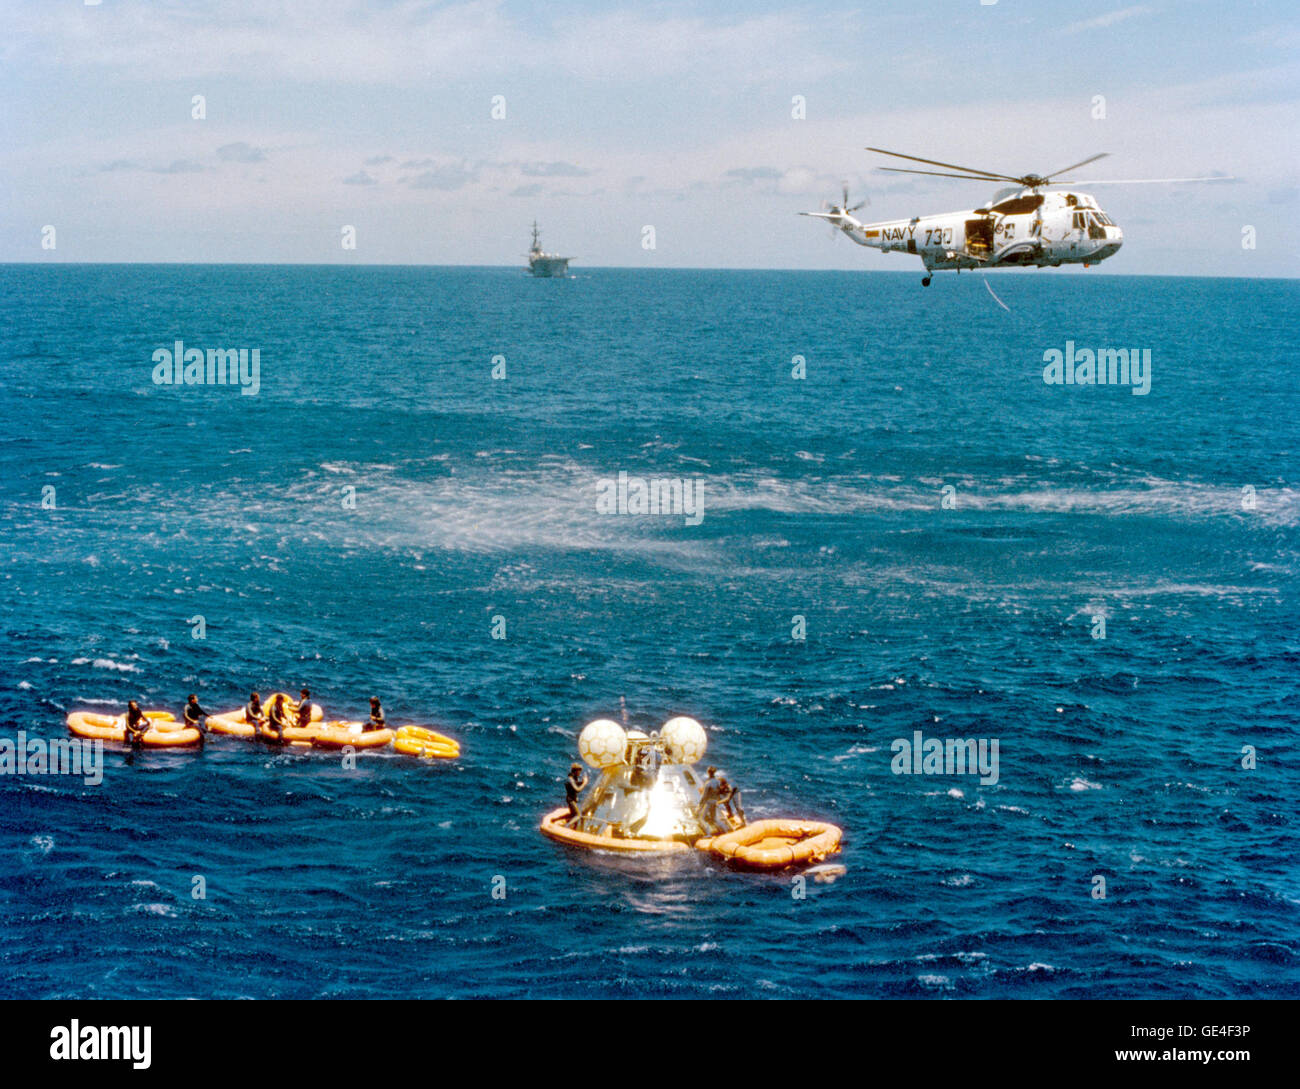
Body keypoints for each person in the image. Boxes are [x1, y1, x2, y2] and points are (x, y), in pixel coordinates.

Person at [697, 765, 726, 833]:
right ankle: (726, 830)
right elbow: (720, 792)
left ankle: (708, 833)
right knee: (714, 819)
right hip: (715, 801)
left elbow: (704, 796)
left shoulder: (708, 783)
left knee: (701, 819)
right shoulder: (717, 782)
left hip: (708, 802)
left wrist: (699, 806)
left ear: (708, 773)